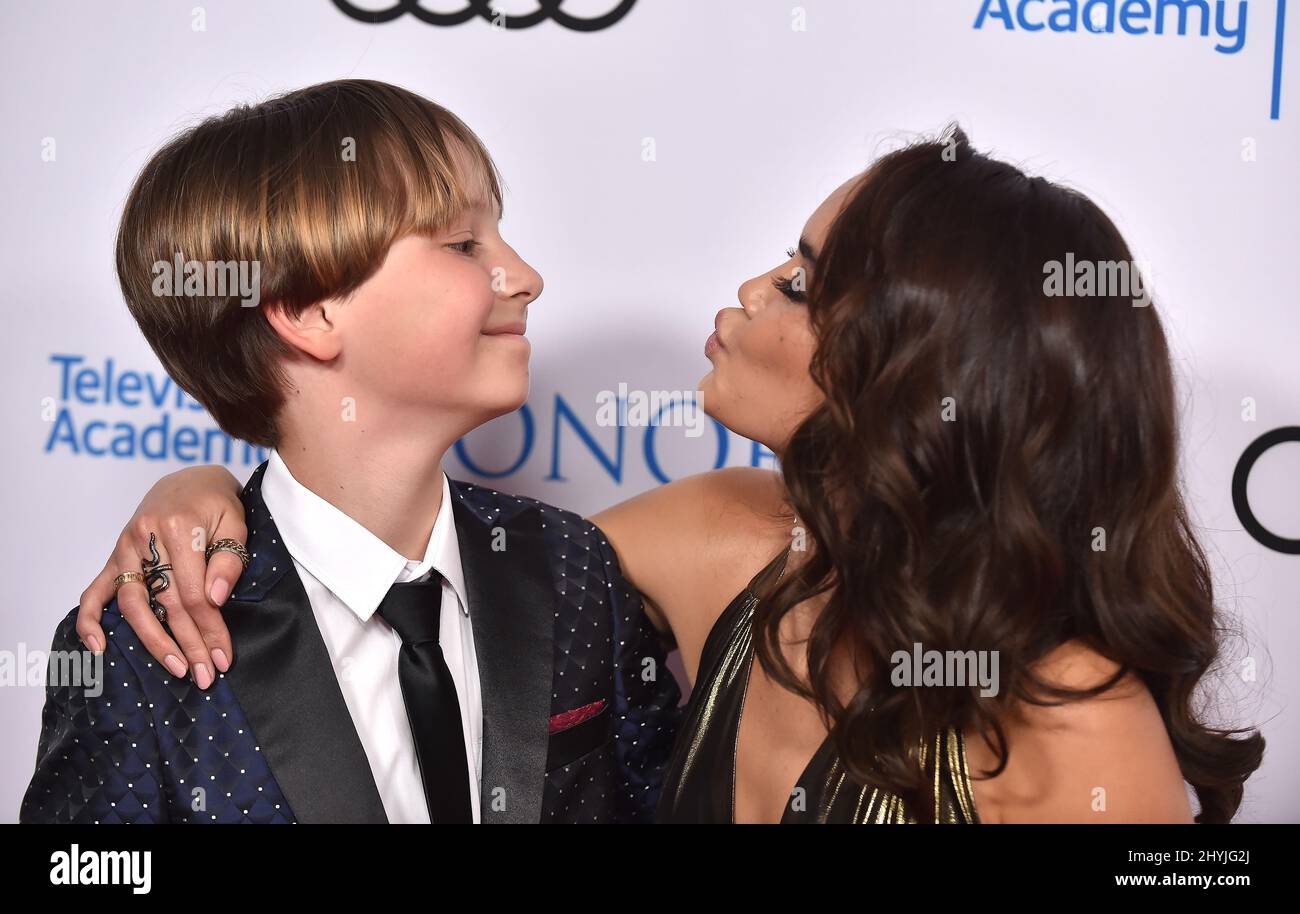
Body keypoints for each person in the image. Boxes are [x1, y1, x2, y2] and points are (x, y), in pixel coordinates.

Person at [72, 126, 1264, 824]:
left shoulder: (1075, 719)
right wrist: (209, 484)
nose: (748, 292)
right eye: (462, 243)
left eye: (799, 282)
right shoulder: (706, 547)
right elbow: (400, 562)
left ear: (911, 374)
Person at [20, 79, 680, 825]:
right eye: (464, 245)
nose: (525, 279)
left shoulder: (571, 568)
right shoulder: (145, 648)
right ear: (309, 311)